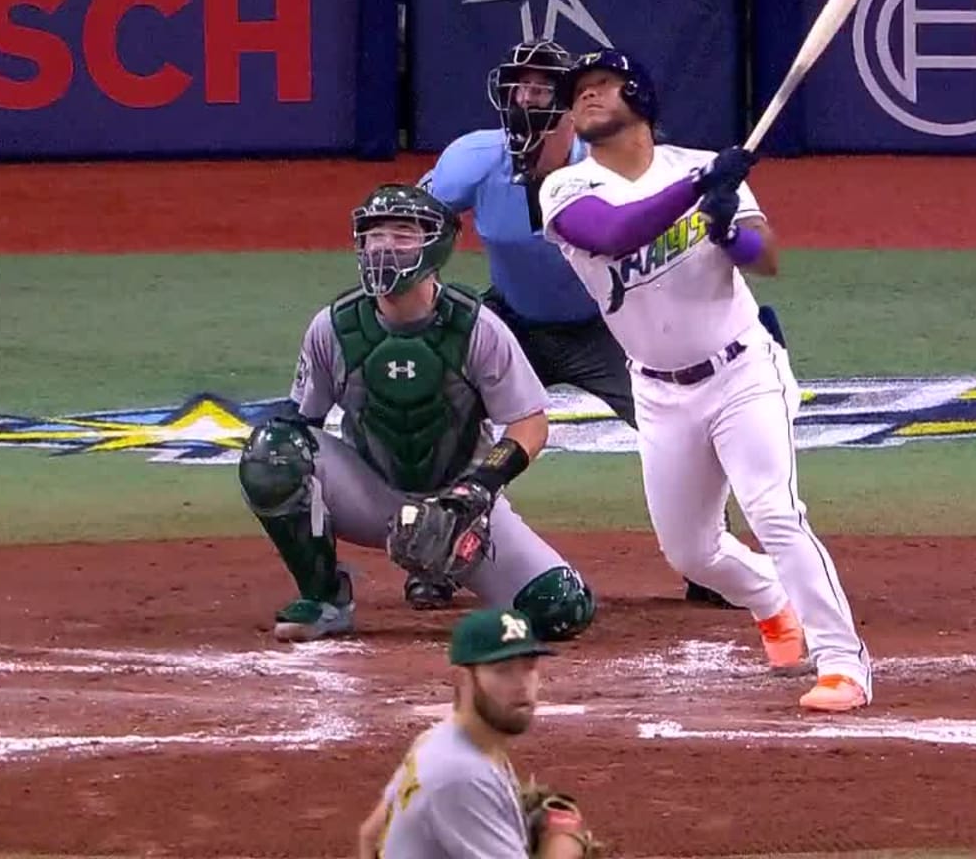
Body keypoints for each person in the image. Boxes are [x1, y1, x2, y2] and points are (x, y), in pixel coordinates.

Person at [537, 49, 872, 712]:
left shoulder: (700, 168)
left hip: (742, 367)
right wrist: (701, 192)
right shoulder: (565, 190)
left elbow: (765, 255)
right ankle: (771, 599)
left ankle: (843, 662)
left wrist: (726, 231)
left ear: (640, 94)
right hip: (658, 391)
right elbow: (612, 233)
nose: (586, 98)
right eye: (577, 94)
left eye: (600, 85)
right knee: (691, 552)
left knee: (774, 509)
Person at [418, 39, 782, 610]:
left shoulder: (599, 165)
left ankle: (711, 561)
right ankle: (441, 552)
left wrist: (710, 200)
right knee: (442, 413)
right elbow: (417, 226)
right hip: (513, 321)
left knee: (692, 430)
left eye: (544, 87)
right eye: (522, 86)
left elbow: (621, 227)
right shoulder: (473, 157)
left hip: (606, 330)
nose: (529, 97)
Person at [236, 183, 596, 643]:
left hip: (460, 504)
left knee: (561, 609)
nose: (384, 246)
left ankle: (453, 564)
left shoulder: (477, 327)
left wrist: (476, 490)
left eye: (403, 233)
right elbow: (301, 421)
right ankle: (325, 597)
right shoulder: (334, 327)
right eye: (374, 234)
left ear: (437, 245)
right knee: (274, 452)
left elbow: (530, 423)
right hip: (371, 495)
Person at [357, 607, 600, 858]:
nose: (521, 685)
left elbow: (370, 836)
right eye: (503, 670)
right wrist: (563, 842)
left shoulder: (441, 740)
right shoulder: (462, 775)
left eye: (529, 666)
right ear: (463, 679)